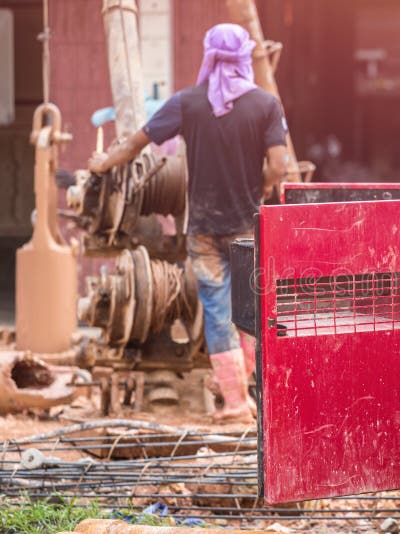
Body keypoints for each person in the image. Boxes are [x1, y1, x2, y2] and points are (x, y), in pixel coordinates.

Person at [89, 24, 288, 423]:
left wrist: (101, 163)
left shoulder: (189, 103)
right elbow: (280, 166)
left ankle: (234, 402)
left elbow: (134, 145)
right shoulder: (266, 105)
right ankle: (243, 393)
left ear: (209, 56)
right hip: (248, 228)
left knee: (216, 310)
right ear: (245, 56)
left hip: (203, 230)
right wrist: (259, 186)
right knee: (249, 310)